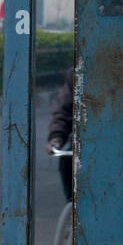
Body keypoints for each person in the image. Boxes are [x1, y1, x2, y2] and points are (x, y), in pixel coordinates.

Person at [46, 68, 75, 201]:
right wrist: (56, 137)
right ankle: (72, 205)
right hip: (87, 141)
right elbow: (63, 112)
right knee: (68, 160)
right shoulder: (77, 72)